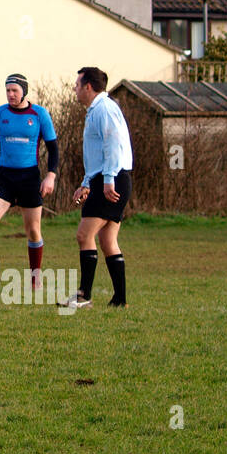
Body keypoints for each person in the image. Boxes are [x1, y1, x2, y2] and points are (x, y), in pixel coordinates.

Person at [0, 74, 58, 289]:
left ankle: (35, 278)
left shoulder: (39, 114)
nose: (10, 94)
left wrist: (51, 176)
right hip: (5, 178)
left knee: (33, 230)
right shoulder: (0, 113)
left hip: (29, 178)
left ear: (24, 92)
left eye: (14, 90)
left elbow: (53, 148)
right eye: (7, 90)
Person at [67, 66, 132, 309]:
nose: (74, 89)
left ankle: (84, 296)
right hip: (107, 178)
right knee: (107, 240)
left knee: (84, 235)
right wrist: (86, 183)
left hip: (112, 178)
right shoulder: (96, 110)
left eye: (77, 85)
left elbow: (113, 145)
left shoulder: (104, 109)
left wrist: (107, 180)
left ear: (88, 86)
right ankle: (120, 299)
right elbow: (96, 154)